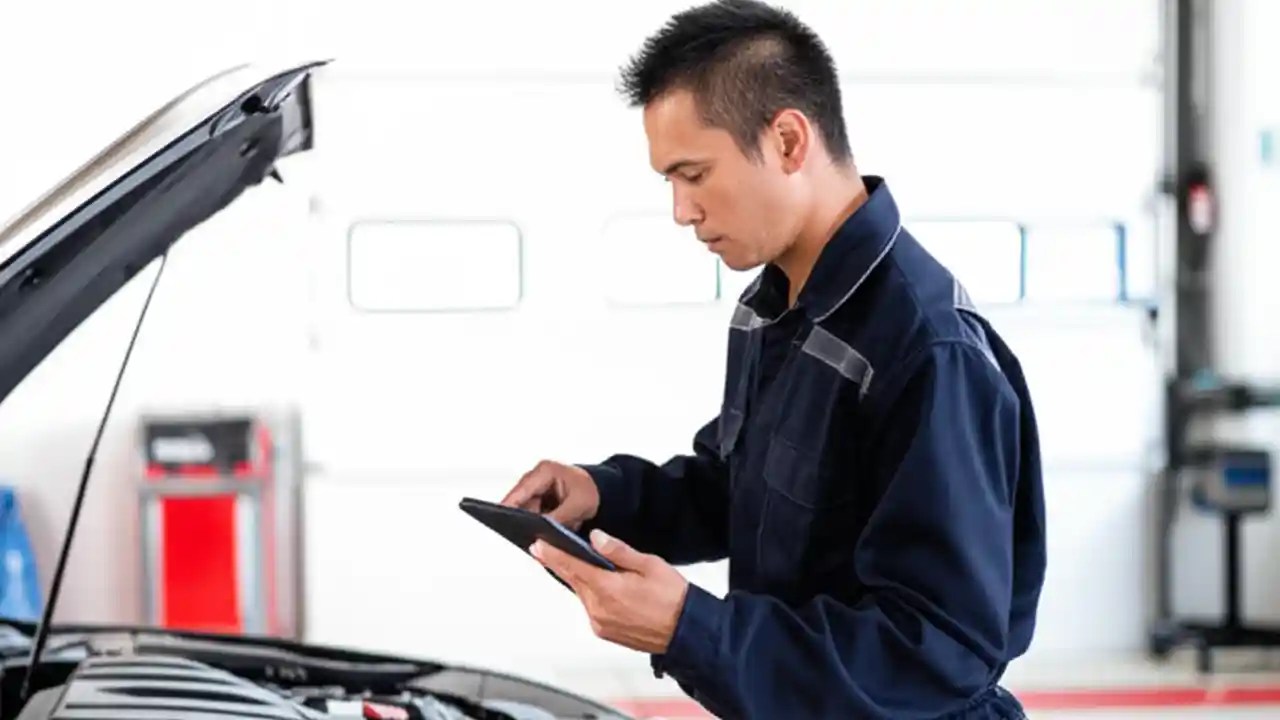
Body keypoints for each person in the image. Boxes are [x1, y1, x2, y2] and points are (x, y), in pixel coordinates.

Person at [500, 1, 1046, 717]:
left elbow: (936, 652)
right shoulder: (774, 306)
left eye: (693, 174)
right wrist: (604, 497)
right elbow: (741, 492)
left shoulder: (926, 349)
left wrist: (691, 630)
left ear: (789, 140)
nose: (680, 211)